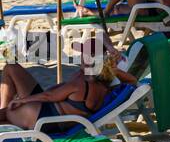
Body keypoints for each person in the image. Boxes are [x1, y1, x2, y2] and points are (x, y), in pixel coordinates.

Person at [0, 35, 136, 130]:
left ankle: (6, 122)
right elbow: (133, 81)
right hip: (49, 110)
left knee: (8, 112)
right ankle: (5, 114)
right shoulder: (104, 78)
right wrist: (111, 54)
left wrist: (23, 101)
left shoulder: (83, 82)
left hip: (46, 118)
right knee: (11, 68)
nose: (81, 55)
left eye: (84, 53)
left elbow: (49, 96)